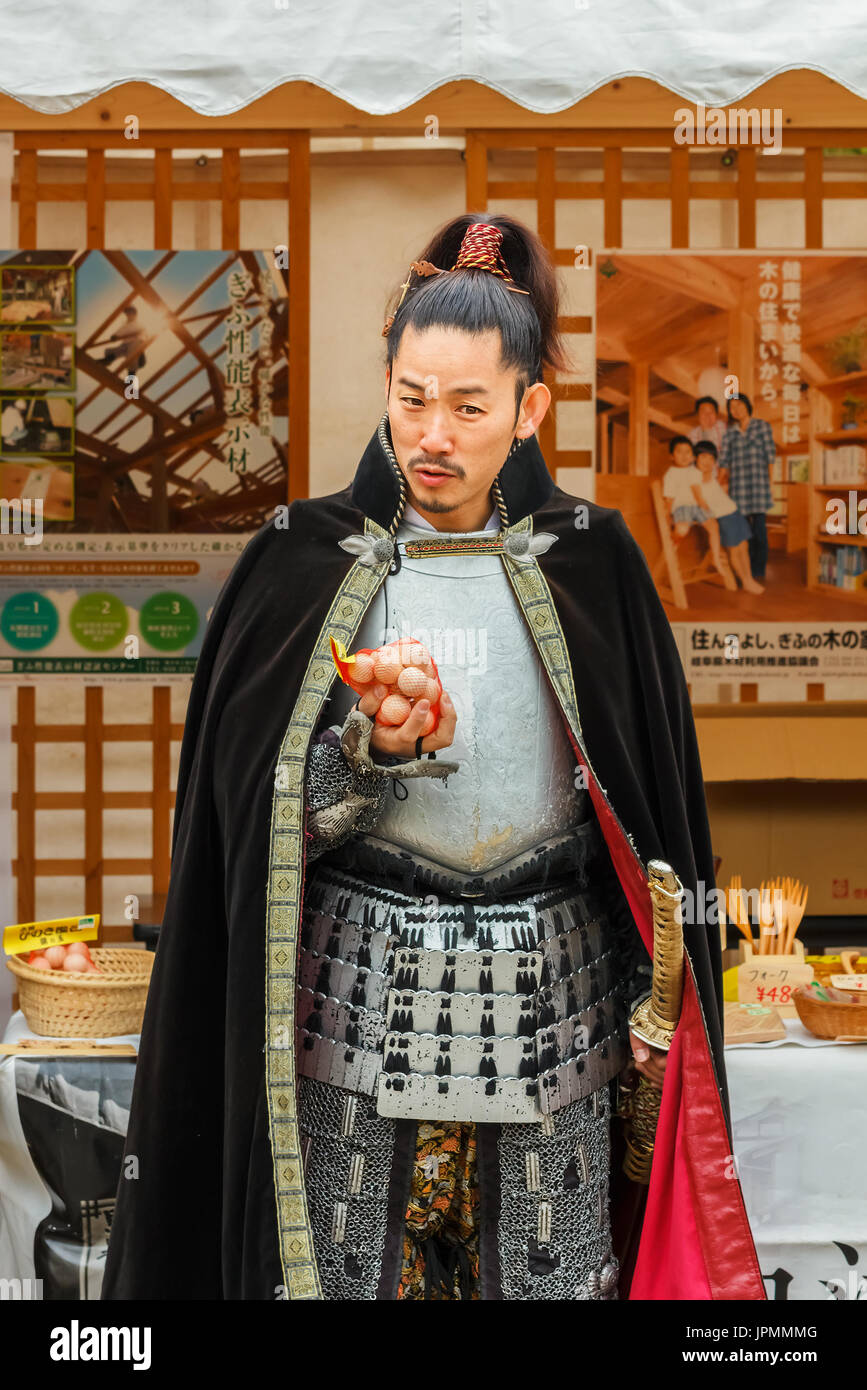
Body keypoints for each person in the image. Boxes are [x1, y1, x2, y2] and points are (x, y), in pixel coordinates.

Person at [102, 215, 764, 1303]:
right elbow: (251, 835)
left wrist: (666, 1003)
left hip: (559, 1016)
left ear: (528, 409)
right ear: (386, 385)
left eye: (468, 406)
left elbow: (654, 830)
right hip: (351, 1014)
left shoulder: (597, 563)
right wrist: (370, 751)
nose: (434, 435)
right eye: (412, 398)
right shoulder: (297, 557)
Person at [718, 393, 775, 581]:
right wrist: (717, 488)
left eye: (739, 405)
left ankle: (759, 571)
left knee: (759, 531)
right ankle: (746, 571)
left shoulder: (762, 427)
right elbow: (724, 463)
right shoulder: (729, 434)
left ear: (747, 405)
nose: (736, 409)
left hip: (759, 487)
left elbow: (770, 458)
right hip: (738, 489)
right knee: (743, 533)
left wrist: (771, 484)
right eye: (732, 407)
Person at [694, 441, 763, 594]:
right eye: (703, 456)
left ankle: (749, 578)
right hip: (723, 518)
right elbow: (700, 504)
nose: (708, 461)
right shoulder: (693, 480)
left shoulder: (711, 476)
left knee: (744, 548)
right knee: (734, 551)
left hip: (734, 512)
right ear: (695, 458)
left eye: (712, 458)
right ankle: (745, 581)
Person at [662, 434, 730, 578]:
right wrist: (667, 516)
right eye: (679, 452)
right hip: (682, 508)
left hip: (696, 507)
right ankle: (672, 543)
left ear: (693, 456)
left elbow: (703, 488)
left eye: (688, 452)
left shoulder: (694, 471)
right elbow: (669, 499)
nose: (684, 456)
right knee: (682, 529)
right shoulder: (671, 474)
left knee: (714, 527)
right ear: (671, 456)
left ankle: (716, 559)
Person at [103, 306, 147, 371]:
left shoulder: (138, 324)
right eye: (127, 314)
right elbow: (121, 331)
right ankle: (108, 360)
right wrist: (115, 336)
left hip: (137, 348)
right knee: (117, 350)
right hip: (127, 346)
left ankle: (130, 377)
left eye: (130, 313)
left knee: (131, 356)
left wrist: (141, 344)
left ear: (134, 315)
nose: (128, 315)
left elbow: (144, 334)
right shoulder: (126, 324)